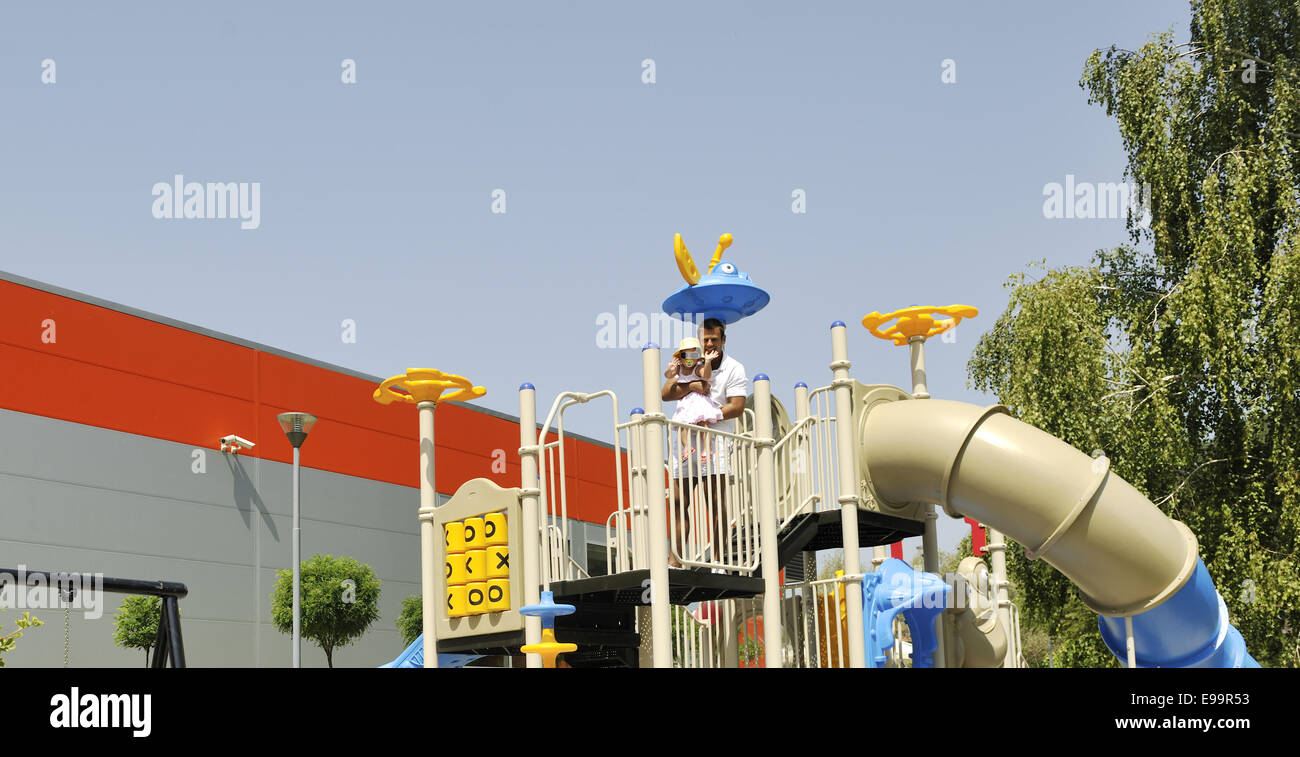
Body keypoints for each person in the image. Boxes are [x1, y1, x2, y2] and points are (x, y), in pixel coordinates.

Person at [661, 318, 748, 569]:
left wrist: (707, 414)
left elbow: (737, 407)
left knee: (715, 502)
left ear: (723, 340)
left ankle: (719, 559)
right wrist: (695, 385)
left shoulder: (734, 368)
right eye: (705, 339)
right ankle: (674, 561)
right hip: (686, 441)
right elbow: (666, 392)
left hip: (714, 442)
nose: (709, 343)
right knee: (679, 502)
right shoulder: (691, 362)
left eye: (714, 339)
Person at [665, 337, 723, 461]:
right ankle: (687, 447)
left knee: (702, 423)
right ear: (680, 358)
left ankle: (707, 449)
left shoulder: (697, 368)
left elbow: (706, 375)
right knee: (681, 424)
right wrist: (670, 369)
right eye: (686, 354)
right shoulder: (679, 369)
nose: (690, 358)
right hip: (685, 402)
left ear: (698, 358)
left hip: (698, 400)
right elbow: (668, 376)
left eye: (694, 354)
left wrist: (707, 363)